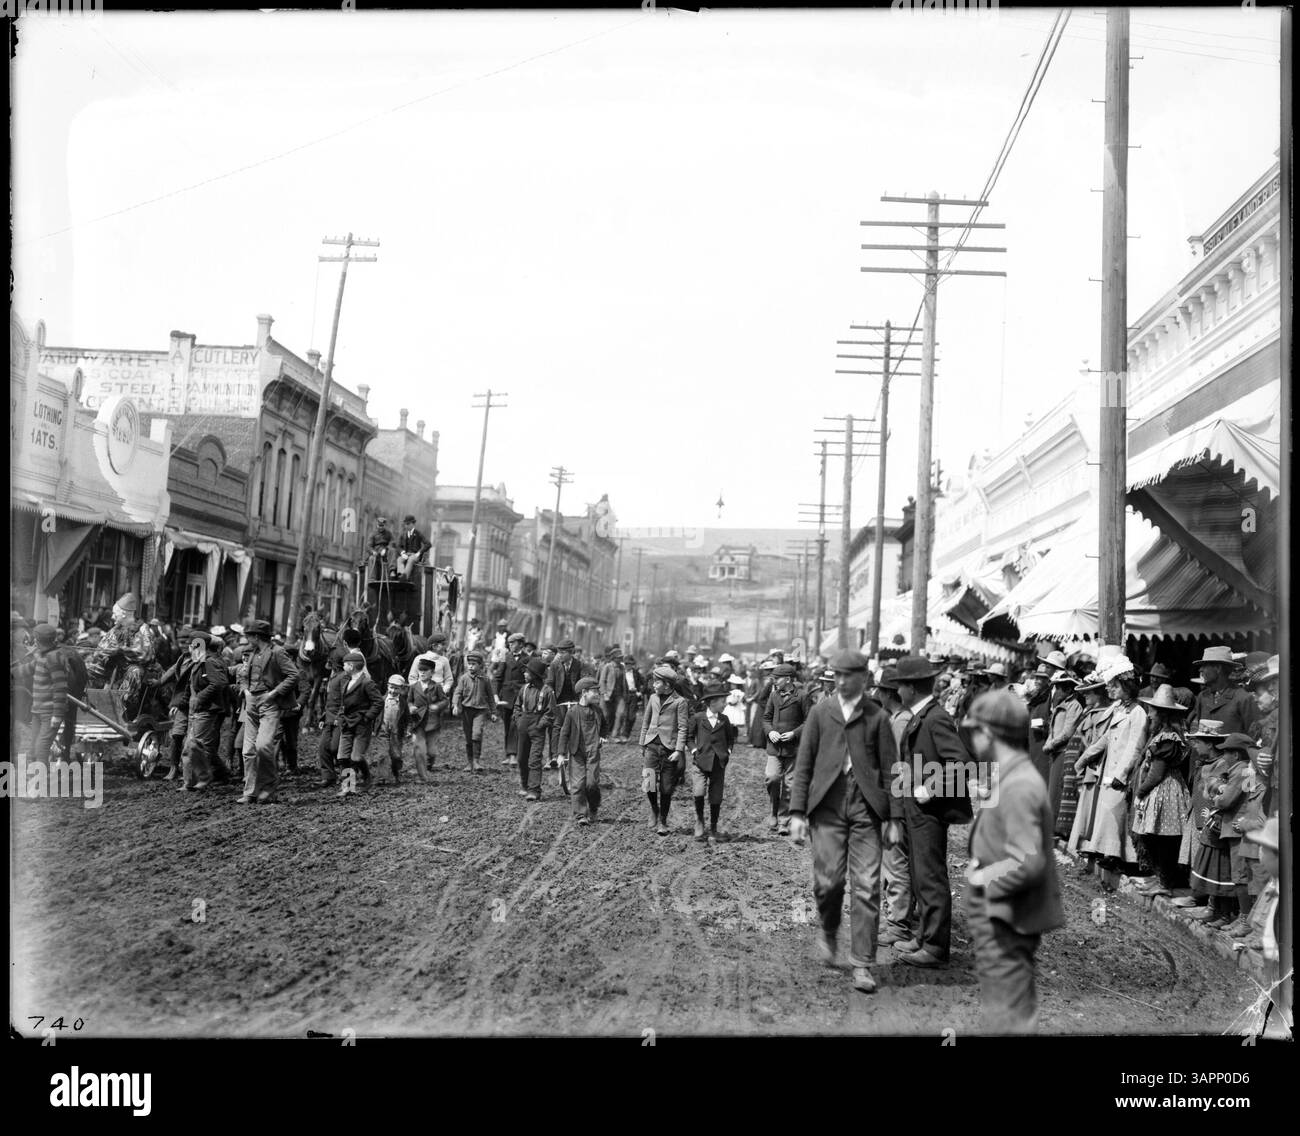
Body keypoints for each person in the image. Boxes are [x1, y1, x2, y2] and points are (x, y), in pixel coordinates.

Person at [787, 648, 903, 995]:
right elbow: (804, 763)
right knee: (828, 882)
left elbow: (892, 770)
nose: (839, 681)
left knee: (867, 887)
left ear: (864, 678)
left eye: (847, 676)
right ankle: (828, 927)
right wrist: (796, 813)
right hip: (827, 809)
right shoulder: (821, 713)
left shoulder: (878, 718)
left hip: (866, 810)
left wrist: (894, 817)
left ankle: (863, 963)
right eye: (835, 675)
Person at [961, 690, 1065, 1034]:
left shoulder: (1019, 784)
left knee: (1008, 1017)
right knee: (1004, 1009)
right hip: (1003, 913)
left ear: (988, 733)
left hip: (1008, 915)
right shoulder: (1011, 775)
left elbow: (1027, 861)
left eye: (973, 732)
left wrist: (982, 878)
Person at [891, 654, 973, 968]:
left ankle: (936, 948)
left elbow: (962, 764)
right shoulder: (920, 715)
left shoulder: (935, 717)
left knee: (930, 877)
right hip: (915, 808)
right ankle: (924, 935)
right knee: (917, 873)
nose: (898, 691)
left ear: (911, 687)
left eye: (900, 686)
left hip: (929, 810)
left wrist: (930, 788)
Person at [1072, 655, 1147, 888]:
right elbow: (1106, 738)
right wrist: (1086, 757)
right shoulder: (1118, 709)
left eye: (1114, 685)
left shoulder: (1137, 712)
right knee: (1108, 813)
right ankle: (1109, 854)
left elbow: (1135, 746)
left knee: (1117, 814)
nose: (1110, 689)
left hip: (1120, 771)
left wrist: (1121, 775)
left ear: (1126, 686)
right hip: (1109, 765)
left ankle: (1122, 859)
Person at [1129, 685, 1193, 898]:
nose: (1149, 714)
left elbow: (1157, 774)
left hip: (1165, 791)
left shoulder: (1167, 739)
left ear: (1163, 714)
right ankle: (1159, 879)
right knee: (1155, 838)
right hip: (1161, 790)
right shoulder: (1162, 735)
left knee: (1163, 839)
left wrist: (1140, 792)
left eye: (1153, 711)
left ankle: (1165, 883)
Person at [872, 666, 918, 947]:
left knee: (896, 865)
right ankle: (901, 919)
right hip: (902, 800)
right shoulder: (901, 718)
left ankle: (898, 927)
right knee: (899, 865)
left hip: (897, 803)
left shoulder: (899, 723)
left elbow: (898, 768)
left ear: (887, 693)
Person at [238, 619, 299, 805]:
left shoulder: (277, 652)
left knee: (263, 746)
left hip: (269, 704)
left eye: (248, 636)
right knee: (248, 750)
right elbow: (242, 674)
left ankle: (268, 788)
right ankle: (250, 792)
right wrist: (246, 689)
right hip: (251, 703)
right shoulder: (250, 652)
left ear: (257, 636)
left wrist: (273, 693)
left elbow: (294, 675)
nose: (247, 639)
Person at [1175, 720, 1229, 913]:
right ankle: (1196, 892)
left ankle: (1200, 896)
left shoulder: (1222, 765)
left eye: (1198, 742)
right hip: (1198, 814)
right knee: (1195, 854)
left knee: (1205, 857)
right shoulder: (1205, 763)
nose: (1195, 745)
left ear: (1210, 744)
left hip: (1209, 818)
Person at [1067, 676, 1114, 869]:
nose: (1086, 696)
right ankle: (1085, 844)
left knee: (1092, 806)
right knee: (1086, 806)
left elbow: (1097, 743)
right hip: (1086, 765)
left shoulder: (1105, 715)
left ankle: (1091, 845)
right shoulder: (1090, 713)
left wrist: (1083, 759)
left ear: (1100, 694)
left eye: (1090, 692)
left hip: (1094, 766)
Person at [639, 663, 690, 836]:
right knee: (649, 782)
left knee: (667, 789)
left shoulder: (680, 702)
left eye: (657, 682)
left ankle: (663, 821)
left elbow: (683, 728)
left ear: (667, 685)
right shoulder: (653, 698)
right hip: (651, 745)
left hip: (669, 749)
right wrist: (642, 743)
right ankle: (654, 809)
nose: (653, 685)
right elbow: (646, 721)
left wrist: (679, 750)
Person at [688, 681, 737, 843]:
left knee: (716, 797)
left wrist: (727, 752)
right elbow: (689, 738)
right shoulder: (698, 718)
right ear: (712, 702)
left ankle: (714, 827)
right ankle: (699, 822)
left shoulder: (725, 719)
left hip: (718, 764)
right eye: (723, 701)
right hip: (700, 762)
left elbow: (731, 739)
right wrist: (695, 751)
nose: (725, 704)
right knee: (699, 791)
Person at [762, 663, 807, 835]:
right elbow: (765, 718)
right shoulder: (773, 695)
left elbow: (809, 721)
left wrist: (794, 734)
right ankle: (773, 810)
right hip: (774, 747)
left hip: (793, 749)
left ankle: (783, 820)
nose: (774, 681)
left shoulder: (802, 696)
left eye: (777, 678)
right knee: (772, 778)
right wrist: (770, 731)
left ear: (788, 679)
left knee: (790, 785)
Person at [182, 632, 229, 791]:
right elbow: (191, 686)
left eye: (191, 645)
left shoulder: (208, 662)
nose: (189, 649)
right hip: (195, 709)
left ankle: (204, 776)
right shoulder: (197, 662)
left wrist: (200, 697)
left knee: (195, 745)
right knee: (188, 746)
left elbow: (218, 684)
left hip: (206, 710)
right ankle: (188, 782)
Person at [334, 649, 383, 796]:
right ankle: (347, 787)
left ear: (351, 666)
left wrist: (368, 717)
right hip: (346, 724)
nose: (343, 668)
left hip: (361, 725)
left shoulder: (367, 683)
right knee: (343, 756)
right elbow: (343, 703)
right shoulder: (346, 681)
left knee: (356, 757)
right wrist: (340, 716)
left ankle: (367, 777)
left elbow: (378, 701)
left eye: (344, 665)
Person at [1042, 668, 1083, 835]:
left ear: (1068, 689)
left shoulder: (1074, 706)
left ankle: (1055, 827)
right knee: (1053, 788)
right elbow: (1053, 730)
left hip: (1063, 752)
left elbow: (1067, 732)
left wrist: (1050, 745)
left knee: (1057, 790)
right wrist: (1049, 743)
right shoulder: (1061, 705)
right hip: (1055, 751)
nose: (1056, 691)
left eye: (1059, 687)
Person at [21, 624, 69, 765]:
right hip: (37, 710)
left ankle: (40, 782)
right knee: (33, 746)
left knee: (41, 747)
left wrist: (57, 714)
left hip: (49, 712)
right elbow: (26, 669)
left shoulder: (54, 658)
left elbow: (60, 688)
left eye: (35, 638)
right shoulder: (42, 655)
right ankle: (36, 778)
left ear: (37, 640)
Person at [558, 676, 604, 825]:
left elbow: (605, 726)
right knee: (577, 784)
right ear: (584, 692)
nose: (597, 695)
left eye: (598, 692)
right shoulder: (572, 712)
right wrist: (560, 754)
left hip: (593, 752)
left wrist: (603, 736)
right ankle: (580, 815)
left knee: (591, 784)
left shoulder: (597, 710)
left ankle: (594, 808)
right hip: (576, 752)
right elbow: (564, 733)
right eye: (594, 692)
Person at [1192, 645, 1259, 737]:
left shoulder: (1243, 699)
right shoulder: (1202, 697)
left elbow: (1252, 736)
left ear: (1218, 668)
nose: (1201, 669)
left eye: (1205, 665)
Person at [514, 658, 556, 802]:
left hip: (537, 728)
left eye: (527, 672)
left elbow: (550, 712)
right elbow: (517, 707)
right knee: (521, 758)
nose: (525, 673)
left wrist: (540, 725)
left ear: (535, 674)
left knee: (534, 759)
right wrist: (519, 721)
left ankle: (534, 790)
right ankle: (525, 785)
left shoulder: (547, 691)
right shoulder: (524, 689)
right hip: (523, 725)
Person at [452, 649, 498, 774]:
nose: (470, 666)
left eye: (474, 664)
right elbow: (458, 692)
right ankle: (469, 762)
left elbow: (490, 696)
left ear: (480, 665)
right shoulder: (464, 678)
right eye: (469, 664)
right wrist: (455, 705)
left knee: (476, 734)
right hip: (466, 711)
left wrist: (493, 712)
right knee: (468, 737)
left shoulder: (485, 679)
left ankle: (477, 761)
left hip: (480, 711)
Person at [546, 638, 583, 773]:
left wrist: (582, 697)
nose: (560, 655)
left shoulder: (578, 664)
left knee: (576, 727)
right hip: (559, 700)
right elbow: (550, 682)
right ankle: (554, 757)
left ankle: (577, 755)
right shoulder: (555, 665)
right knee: (557, 726)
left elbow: (582, 681)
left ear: (571, 653)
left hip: (574, 700)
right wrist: (550, 691)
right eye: (559, 652)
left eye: (563, 652)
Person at [496, 633, 529, 767]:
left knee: (515, 725)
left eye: (513, 643)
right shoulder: (505, 657)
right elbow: (498, 677)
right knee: (507, 726)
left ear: (520, 644)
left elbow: (530, 677)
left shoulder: (527, 658)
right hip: (505, 696)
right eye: (509, 643)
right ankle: (508, 754)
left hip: (520, 696)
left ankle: (514, 755)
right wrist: (495, 695)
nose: (510, 645)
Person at [378, 674, 411, 784]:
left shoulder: (403, 703)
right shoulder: (381, 700)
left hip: (397, 732)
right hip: (383, 730)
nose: (393, 690)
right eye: (391, 687)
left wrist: (408, 730)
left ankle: (396, 772)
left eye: (396, 688)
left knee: (396, 755)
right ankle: (382, 777)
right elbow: (375, 715)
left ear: (401, 689)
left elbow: (407, 718)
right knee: (382, 754)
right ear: (387, 686)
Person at [613, 654, 645, 743]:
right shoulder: (621, 674)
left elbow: (644, 682)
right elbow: (618, 687)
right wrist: (620, 698)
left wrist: (640, 692)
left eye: (630, 664)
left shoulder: (636, 673)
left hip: (634, 696)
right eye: (626, 664)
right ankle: (619, 735)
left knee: (632, 717)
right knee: (623, 716)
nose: (628, 666)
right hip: (624, 697)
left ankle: (626, 734)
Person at [395, 514, 432, 580]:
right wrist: (402, 553)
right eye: (405, 524)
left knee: (411, 559)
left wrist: (419, 553)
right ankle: (401, 575)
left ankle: (405, 577)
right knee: (399, 559)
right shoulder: (403, 534)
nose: (406, 526)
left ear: (413, 524)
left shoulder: (418, 533)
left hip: (415, 556)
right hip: (406, 554)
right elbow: (398, 546)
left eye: (408, 524)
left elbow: (428, 544)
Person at [597, 647, 622, 740]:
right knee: (605, 715)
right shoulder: (607, 666)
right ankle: (602, 734)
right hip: (606, 695)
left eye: (621, 658)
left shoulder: (622, 667)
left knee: (619, 714)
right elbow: (602, 681)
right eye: (618, 658)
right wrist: (604, 694)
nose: (620, 659)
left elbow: (623, 682)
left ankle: (614, 734)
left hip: (618, 695)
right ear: (614, 658)